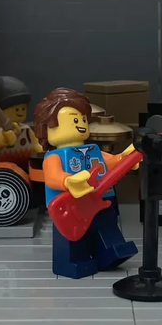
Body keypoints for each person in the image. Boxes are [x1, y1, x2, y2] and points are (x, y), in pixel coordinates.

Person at [33, 88, 139, 279]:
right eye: (74, 120)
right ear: (48, 128)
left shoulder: (92, 150)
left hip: (100, 201)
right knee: (73, 237)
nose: (81, 124)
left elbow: (111, 161)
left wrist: (125, 158)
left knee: (106, 224)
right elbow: (52, 176)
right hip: (71, 207)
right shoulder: (54, 156)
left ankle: (110, 251)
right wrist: (67, 181)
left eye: (83, 119)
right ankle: (72, 262)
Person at [0, 76, 42, 172]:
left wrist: (41, 151)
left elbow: (34, 145)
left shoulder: (25, 130)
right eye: (16, 109)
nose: (20, 112)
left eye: (23, 108)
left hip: (22, 167)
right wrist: (3, 139)